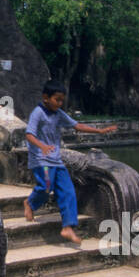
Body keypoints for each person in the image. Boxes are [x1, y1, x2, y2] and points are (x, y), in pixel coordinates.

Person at [24, 80, 118, 246]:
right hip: (41, 160)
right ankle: (30, 203)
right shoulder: (38, 113)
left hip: (56, 161)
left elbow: (77, 125)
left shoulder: (59, 114)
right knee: (46, 186)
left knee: (68, 191)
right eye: (57, 100)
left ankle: (67, 226)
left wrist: (100, 131)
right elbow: (29, 134)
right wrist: (42, 146)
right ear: (46, 97)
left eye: (62, 100)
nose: (60, 103)